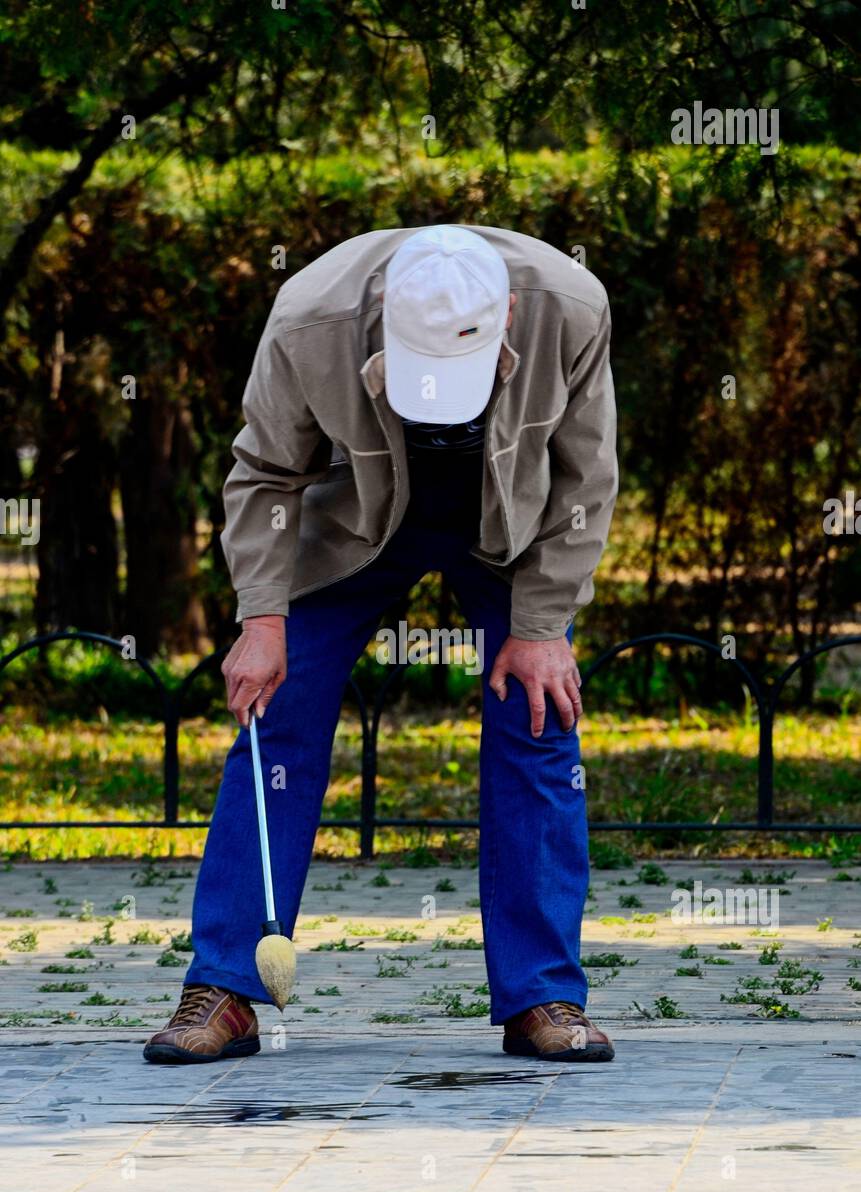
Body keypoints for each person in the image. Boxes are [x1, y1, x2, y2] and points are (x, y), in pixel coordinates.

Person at [144, 224, 618, 1066]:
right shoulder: (309, 318)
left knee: (540, 717)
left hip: (510, 529)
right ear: (381, 315)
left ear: (507, 313)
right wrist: (261, 619)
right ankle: (223, 984)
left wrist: (542, 627)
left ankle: (543, 994)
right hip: (351, 520)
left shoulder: (570, 308)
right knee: (274, 716)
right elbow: (264, 475)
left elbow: (586, 477)